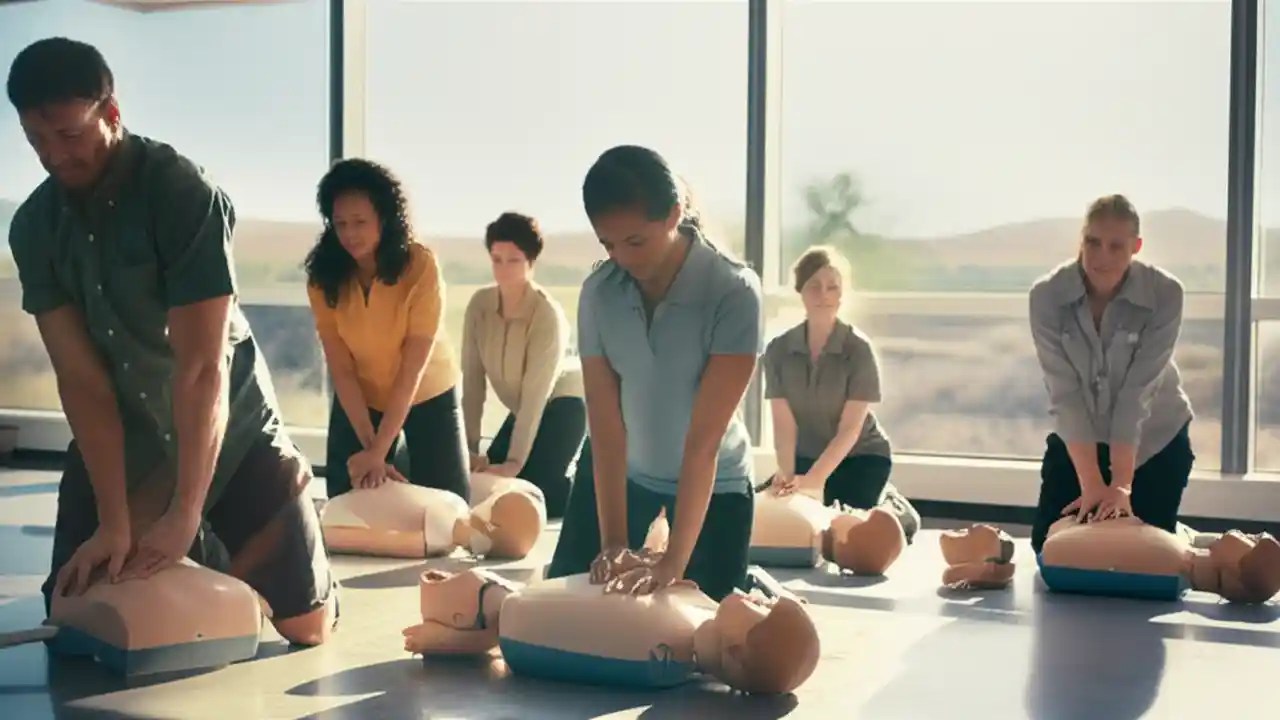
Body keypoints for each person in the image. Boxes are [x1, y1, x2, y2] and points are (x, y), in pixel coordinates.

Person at [6, 37, 335, 645]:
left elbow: (202, 369)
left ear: (110, 113)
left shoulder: (182, 193)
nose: (53, 156)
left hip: (225, 427)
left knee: (305, 628)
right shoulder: (33, 226)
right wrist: (113, 520)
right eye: (35, 141)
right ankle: (196, 546)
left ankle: (237, 529)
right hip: (123, 433)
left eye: (69, 136)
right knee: (74, 608)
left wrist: (185, 512)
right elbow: (81, 379)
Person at [544, 145, 763, 602]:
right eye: (608, 244)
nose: (622, 257)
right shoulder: (598, 295)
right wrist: (612, 545)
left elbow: (702, 444)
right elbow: (605, 430)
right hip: (623, 476)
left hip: (713, 482)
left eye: (635, 242)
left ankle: (748, 582)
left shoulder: (734, 290)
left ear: (673, 215)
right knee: (570, 610)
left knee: (702, 631)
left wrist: (672, 565)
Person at [1027, 194, 1195, 553]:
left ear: (1136, 246)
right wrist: (1091, 482)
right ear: (1081, 239)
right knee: (1051, 547)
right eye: (1092, 242)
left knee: (1140, 555)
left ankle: (1183, 539)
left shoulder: (1165, 293)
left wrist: (1121, 485)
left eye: (1116, 246)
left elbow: (1138, 393)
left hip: (1154, 442)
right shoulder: (1046, 296)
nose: (1101, 256)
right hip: (1081, 438)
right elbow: (1064, 392)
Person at [304, 158, 469, 503]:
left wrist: (381, 450)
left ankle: (404, 462)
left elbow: (412, 368)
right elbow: (342, 369)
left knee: (450, 507)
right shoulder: (323, 277)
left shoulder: (420, 265)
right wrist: (372, 450)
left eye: (360, 222)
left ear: (385, 217)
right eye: (340, 223)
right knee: (345, 499)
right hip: (361, 397)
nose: (350, 234)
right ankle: (393, 461)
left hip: (427, 390)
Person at [760, 245, 919, 540]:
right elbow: (783, 424)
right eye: (814, 286)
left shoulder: (858, 350)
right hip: (807, 456)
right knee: (764, 513)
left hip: (860, 459)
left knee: (844, 528)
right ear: (801, 290)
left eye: (832, 287)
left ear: (842, 293)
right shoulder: (778, 350)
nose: (824, 295)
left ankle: (894, 508)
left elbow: (850, 430)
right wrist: (787, 474)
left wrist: (814, 482)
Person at [461, 212, 586, 518]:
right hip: (523, 410)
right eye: (496, 259)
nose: (503, 269)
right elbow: (473, 387)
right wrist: (470, 452)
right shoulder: (479, 306)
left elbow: (535, 397)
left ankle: (589, 492)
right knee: (486, 486)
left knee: (534, 494)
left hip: (563, 404)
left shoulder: (547, 315)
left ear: (531, 261)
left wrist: (515, 464)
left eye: (513, 260)